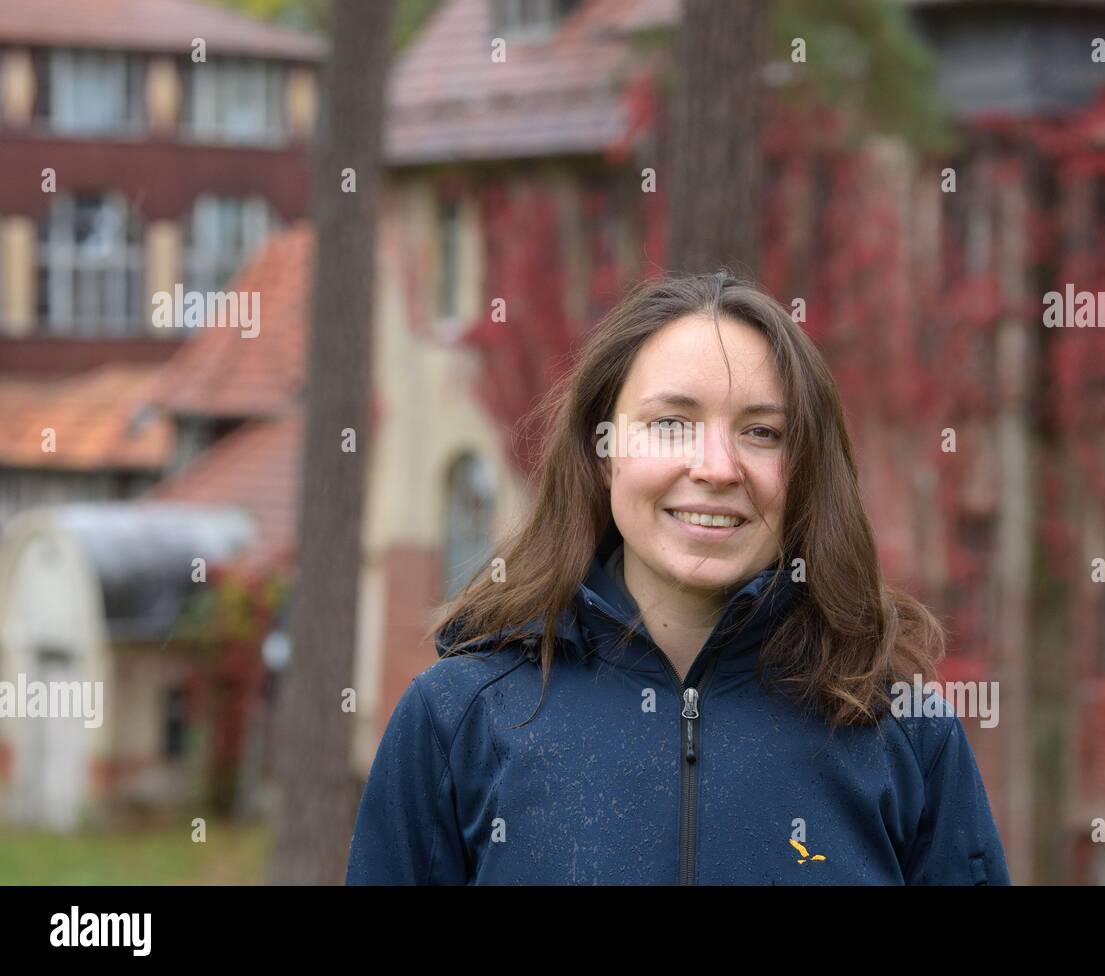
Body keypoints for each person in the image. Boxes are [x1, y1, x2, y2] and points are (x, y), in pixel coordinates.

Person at [346, 270, 1011, 885]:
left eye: (762, 433)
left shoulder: (904, 733)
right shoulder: (458, 718)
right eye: (671, 424)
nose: (717, 467)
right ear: (603, 453)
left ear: (806, 471)